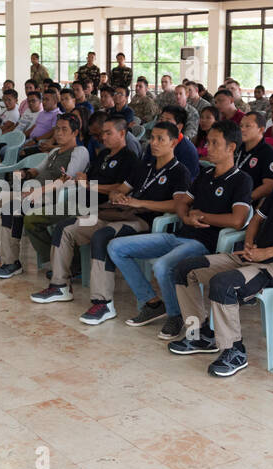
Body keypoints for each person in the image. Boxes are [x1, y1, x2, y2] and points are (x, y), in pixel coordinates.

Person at [169, 121, 273, 377]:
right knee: (185, 269)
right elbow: (257, 217)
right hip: (253, 257)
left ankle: (234, 351)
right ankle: (199, 334)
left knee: (223, 284)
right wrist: (249, 242)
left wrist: (267, 254)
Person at [106, 120, 252, 337]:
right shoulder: (205, 174)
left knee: (163, 266)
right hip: (179, 235)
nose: (207, 148)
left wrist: (201, 217)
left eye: (214, 143)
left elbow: (238, 220)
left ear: (231, 147)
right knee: (116, 247)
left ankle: (175, 316)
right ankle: (153, 303)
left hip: (204, 244)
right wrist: (186, 216)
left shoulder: (241, 180)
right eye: (208, 142)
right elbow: (183, 201)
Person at [30, 117, 168, 308]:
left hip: (136, 218)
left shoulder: (139, 161)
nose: (153, 143)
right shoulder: (139, 165)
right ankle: (59, 285)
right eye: (152, 138)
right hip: (112, 211)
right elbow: (122, 188)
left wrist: (135, 201)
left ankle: (102, 302)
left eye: (160, 139)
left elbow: (179, 206)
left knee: (101, 236)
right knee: (64, 228)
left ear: (122, 134)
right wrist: (112, 192)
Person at [0, 114, 88, 279]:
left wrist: (36, 192)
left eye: (64, 129)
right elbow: (38, 169)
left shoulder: (80, 151)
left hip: (52, 198)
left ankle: (11, 262)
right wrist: (26, 173)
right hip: (30, 192)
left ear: (75, 133)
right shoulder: (54, 152)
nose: (59, 133)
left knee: (12, 208)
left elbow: (66, 179)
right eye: (57, 129)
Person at [235, 111, 273, 203]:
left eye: (248, 126)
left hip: (249, 203)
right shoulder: (238, 147)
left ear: (261, 129)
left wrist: (243, 200)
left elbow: (269, 186)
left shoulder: (269, 154)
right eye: (241, 126)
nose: (242, 129)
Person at [154, 104, 201, 179]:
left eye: (168, 121)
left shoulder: (188, 151)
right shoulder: (154, 144)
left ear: (179, 127)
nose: (162, 124)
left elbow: (187, 182)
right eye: (161, 119)